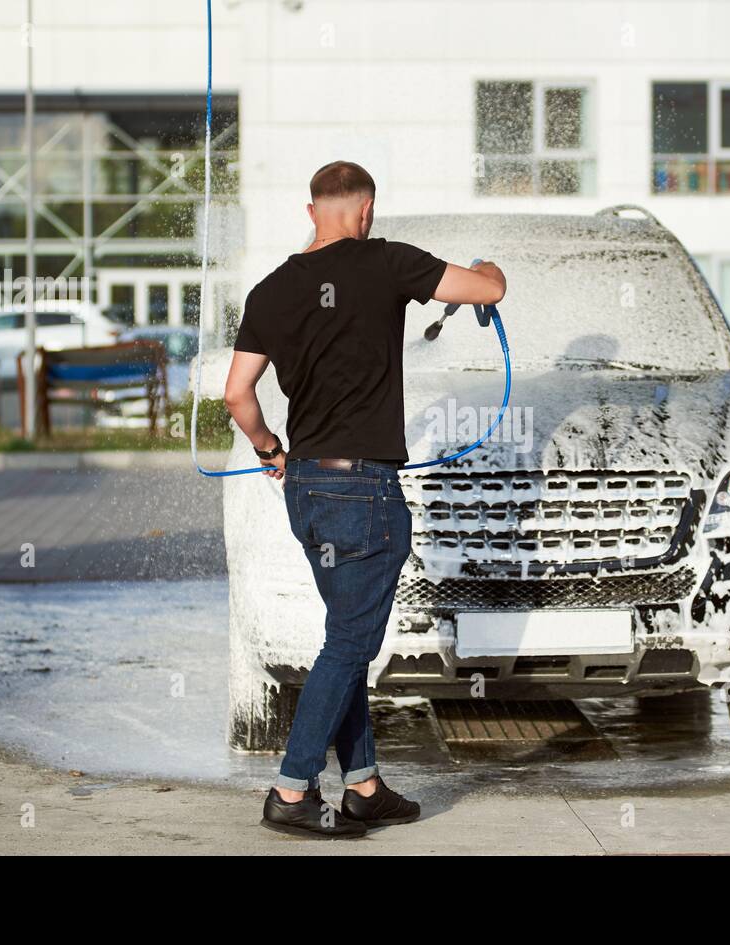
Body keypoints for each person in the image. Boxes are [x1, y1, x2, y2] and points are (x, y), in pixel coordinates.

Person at [224, 160, 506, 839]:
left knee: (341, 638)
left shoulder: (270, 291)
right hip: (366, 490)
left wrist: (268, 450)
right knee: (350, 643)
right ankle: (292, 789)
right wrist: (488, 269)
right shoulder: (389, 264)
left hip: (309, 487)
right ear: (367, 209)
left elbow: (237, 395)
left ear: (311, 209)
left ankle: (363, 784)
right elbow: (489, 286)